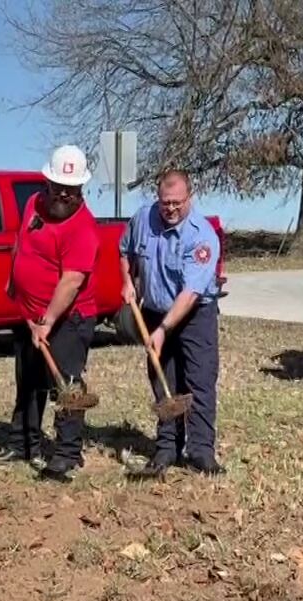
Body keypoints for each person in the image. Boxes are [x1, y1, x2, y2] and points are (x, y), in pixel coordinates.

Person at [4, 145, 99, 482]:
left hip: (68, 320)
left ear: (81, 189)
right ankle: (23, 442)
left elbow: (72, 281)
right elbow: (22, 242)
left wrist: (47, 321)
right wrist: (13, 282)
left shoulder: (83, 227)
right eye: (58, 186)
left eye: (71, 189)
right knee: (28, 381)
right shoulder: (33, 204)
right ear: (46, 182)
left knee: (66, 384)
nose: (64, 194)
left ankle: (67, 453)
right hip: (29, 315)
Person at [120, 169, 223, 476]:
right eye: (165, 202)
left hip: (194, 315)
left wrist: (164, 329)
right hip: (153, 310)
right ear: (158, 198)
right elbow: (124, 251)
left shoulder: (202, 236)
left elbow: (191, 293)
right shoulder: (143, 219)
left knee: (199, 381)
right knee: (163, 380)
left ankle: (201, 452)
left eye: (177, 202)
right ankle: (167, 448)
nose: (171, 209)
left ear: (190, 197)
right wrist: (128, 280)